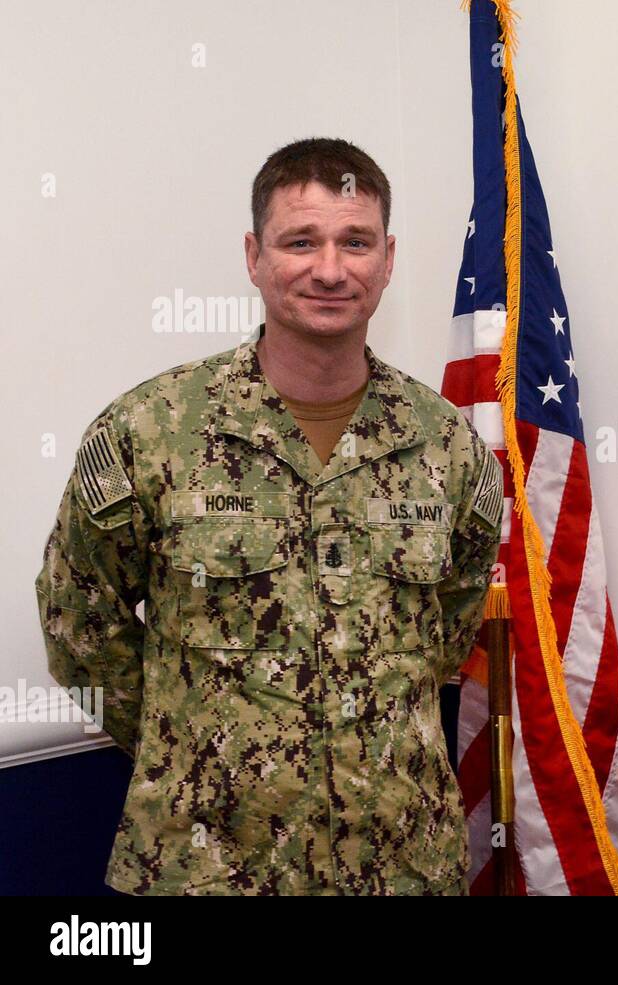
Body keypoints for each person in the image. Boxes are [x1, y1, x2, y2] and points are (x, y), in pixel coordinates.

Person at [33, 137, 503, 895]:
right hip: (206, 868)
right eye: (300, 241)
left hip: (399, 866)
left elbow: (445, 635)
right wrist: (192, 742)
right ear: (254, 256)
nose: (329, 268)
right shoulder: (150, 431)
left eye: (355, 241)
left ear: (387, 259)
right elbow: (79, 626)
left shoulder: (447, 446)